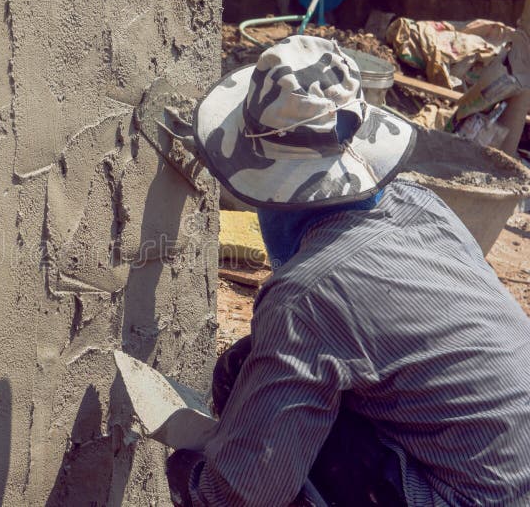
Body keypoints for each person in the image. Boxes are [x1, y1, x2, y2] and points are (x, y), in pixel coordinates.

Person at [165, 36, 530, 506]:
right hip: (502, 462)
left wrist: (192, 478)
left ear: (266, 184)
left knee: (245, 452)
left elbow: (238, 496)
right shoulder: (420, 204)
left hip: (479, 496)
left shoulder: (305, 296)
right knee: (247, 368)